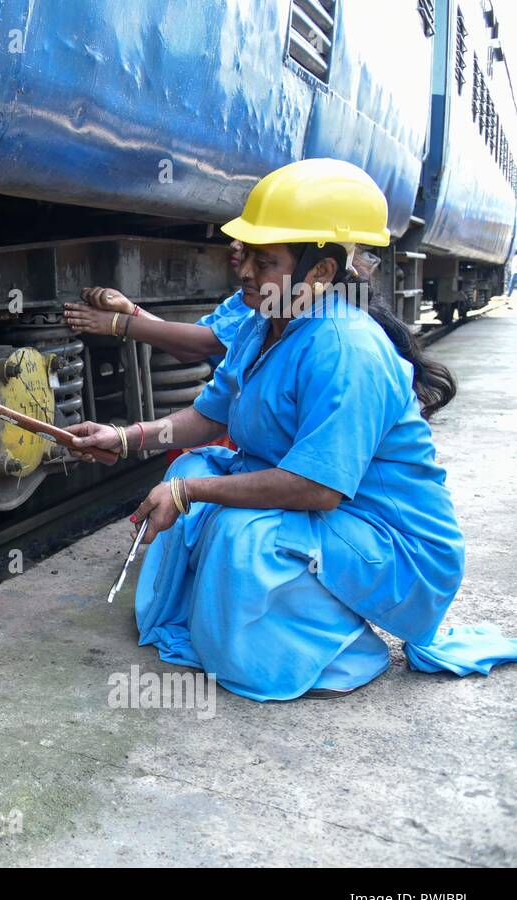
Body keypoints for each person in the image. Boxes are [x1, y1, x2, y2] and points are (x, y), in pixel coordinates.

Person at [66, 157, 517, 701]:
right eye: (247, 257)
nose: (246, 272)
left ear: (321, 271)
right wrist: (126, 438)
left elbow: (317, 489)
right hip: (340, 514)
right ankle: (253, 618)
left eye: (265, 260)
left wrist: (188, 492)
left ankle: (339, 650)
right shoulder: (266, 324)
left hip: (394, 546)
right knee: (192, 467)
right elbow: (211, 418)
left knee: (241, 534)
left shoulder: (347, 349)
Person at [63, 241, 255, 367]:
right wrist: (130, 309)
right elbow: (186, 344)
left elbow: (199, 345)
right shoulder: (242, 298)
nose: (235, 245)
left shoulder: (262, 306)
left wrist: (117, 323)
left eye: (248, 240)